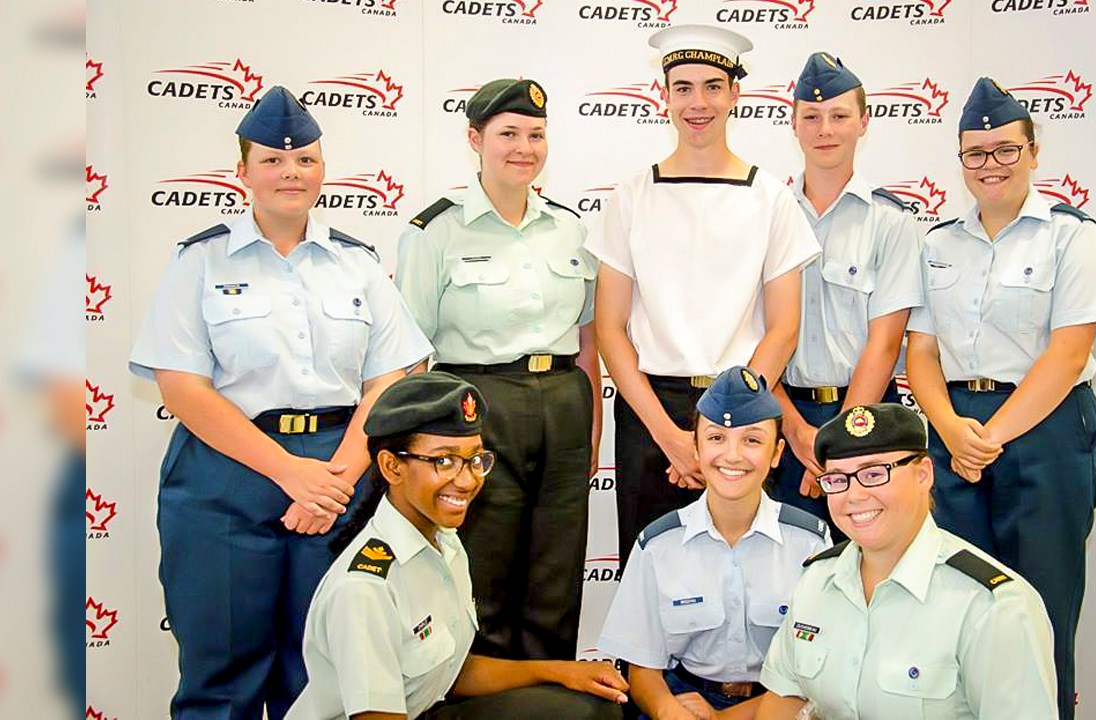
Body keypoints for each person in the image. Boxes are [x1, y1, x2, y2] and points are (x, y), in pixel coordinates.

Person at [129, 86, 433, 719]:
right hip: (227, 473)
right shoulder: (200, 260)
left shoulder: (357, 263)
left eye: (305, 161)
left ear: (323, 171)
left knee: (322, 668)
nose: (290, 173)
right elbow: (182, 386)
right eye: (271, 160)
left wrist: (339, 479)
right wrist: (289, 473)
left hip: (338, 468)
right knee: (222, 671)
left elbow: (393, 374)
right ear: (242, 172)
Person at [904, 77, 1096, 719]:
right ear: (961, 160)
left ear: (1033, 152)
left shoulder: (1072, 237)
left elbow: (1068, 354)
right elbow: (920, 352)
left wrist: (987, 436)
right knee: (956, 609)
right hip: (953, 433)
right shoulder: (938, 242)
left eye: (1004, 150)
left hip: (1044, 430)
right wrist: (948, 429)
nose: (990, 165)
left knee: (1041, 612)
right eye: (976, 153)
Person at [588, 24, 821, 568]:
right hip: (653, 414)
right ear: (664, 96)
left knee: (745, 577)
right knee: (651, 579)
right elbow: (609, 329)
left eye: (714, 86)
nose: (699, 102)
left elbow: (784, 327)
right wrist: (671, 437)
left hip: (741, 407)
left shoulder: (770, 198)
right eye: (684, 87)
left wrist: (727, 424)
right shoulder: (631, 197)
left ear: (736, 95)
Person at [395, 77, 601, 661]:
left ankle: (547, 696)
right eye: (508, 133)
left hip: (564, 400)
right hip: (475, 404)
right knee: (483, 565)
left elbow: (588, 338)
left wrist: (592, 420)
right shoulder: (435, 230)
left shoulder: (570, 227)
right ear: (474, 138)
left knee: (557, 569)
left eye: (536, 135)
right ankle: (480, 699)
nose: (524, 147)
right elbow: (410, 354)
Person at [286, 372, 627, 720]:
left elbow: (449, 672)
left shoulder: (445, 541)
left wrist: (559, 672)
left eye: (475, 460)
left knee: (593, 711)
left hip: (424, 710)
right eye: (443, 461)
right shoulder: (365, 588)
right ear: (392, 466)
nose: (466, 480)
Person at [756, 403, 1057, 719]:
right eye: (837, 479)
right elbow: (783, 700)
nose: (854, 495)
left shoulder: (993, 607)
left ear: (923, 474)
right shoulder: (816, 581)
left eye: (874, 474)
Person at [598, 366, 830, 720]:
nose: (732, 456)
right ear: (696, 447)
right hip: (683, 701)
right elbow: (641, 666)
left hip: (779, 707)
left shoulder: (810, 543)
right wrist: (667, 711)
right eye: (716, 438)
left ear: (777, 453)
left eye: (752, 440)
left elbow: (818, 673)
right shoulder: (658, 545)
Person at [772, 52, 924, 542]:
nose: (825, 129)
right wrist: (796, 433)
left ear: (863, 122)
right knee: (790, 583)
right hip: (783, 423)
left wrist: (838, 445)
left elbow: (884, 344)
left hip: (868, 422)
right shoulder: (766, 215)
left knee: (872, 569)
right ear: (793, 125)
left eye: (839, 116)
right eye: (811, 117)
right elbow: (753, 336)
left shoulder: (891, 222)